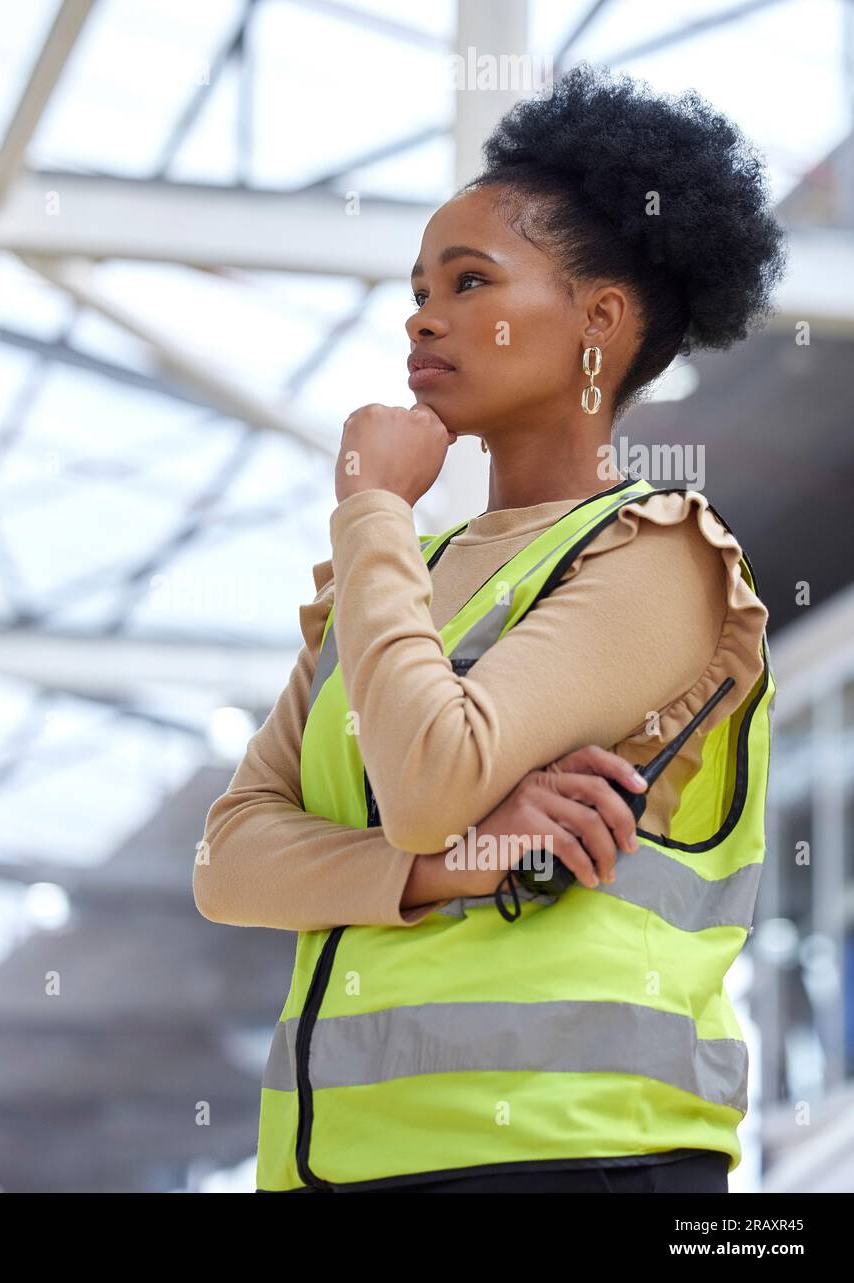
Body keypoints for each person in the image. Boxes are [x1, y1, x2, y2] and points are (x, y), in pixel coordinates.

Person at [194, 63, 785, 1194]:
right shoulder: (397, 579)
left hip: (571, 1154)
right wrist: (441, 871)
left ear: (600, 324)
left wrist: (370, 503)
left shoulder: (658, 551)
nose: (422, 315)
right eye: (418, 285)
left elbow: (426, 774)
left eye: (470, 281)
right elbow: (229, 859)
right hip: (345, 1169)